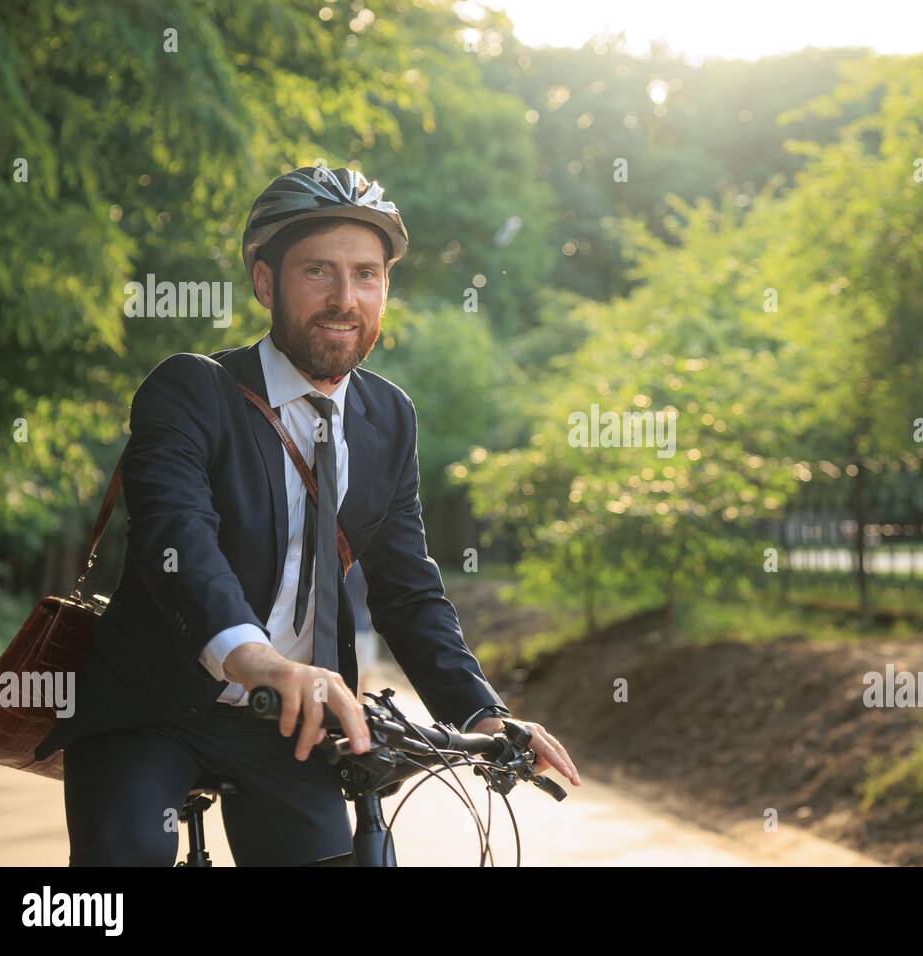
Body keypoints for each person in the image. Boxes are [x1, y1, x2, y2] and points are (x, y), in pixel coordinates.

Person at [37, 166, 579, 866]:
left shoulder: (389, 417)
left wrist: (483, 712)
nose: (345, 298)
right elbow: (176, 539)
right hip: (152, 708)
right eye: (318, 271)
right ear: (266, 284)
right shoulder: (192, 389)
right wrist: (258, 659)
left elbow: (408, 589)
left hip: (291, 724)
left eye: (366, 275)